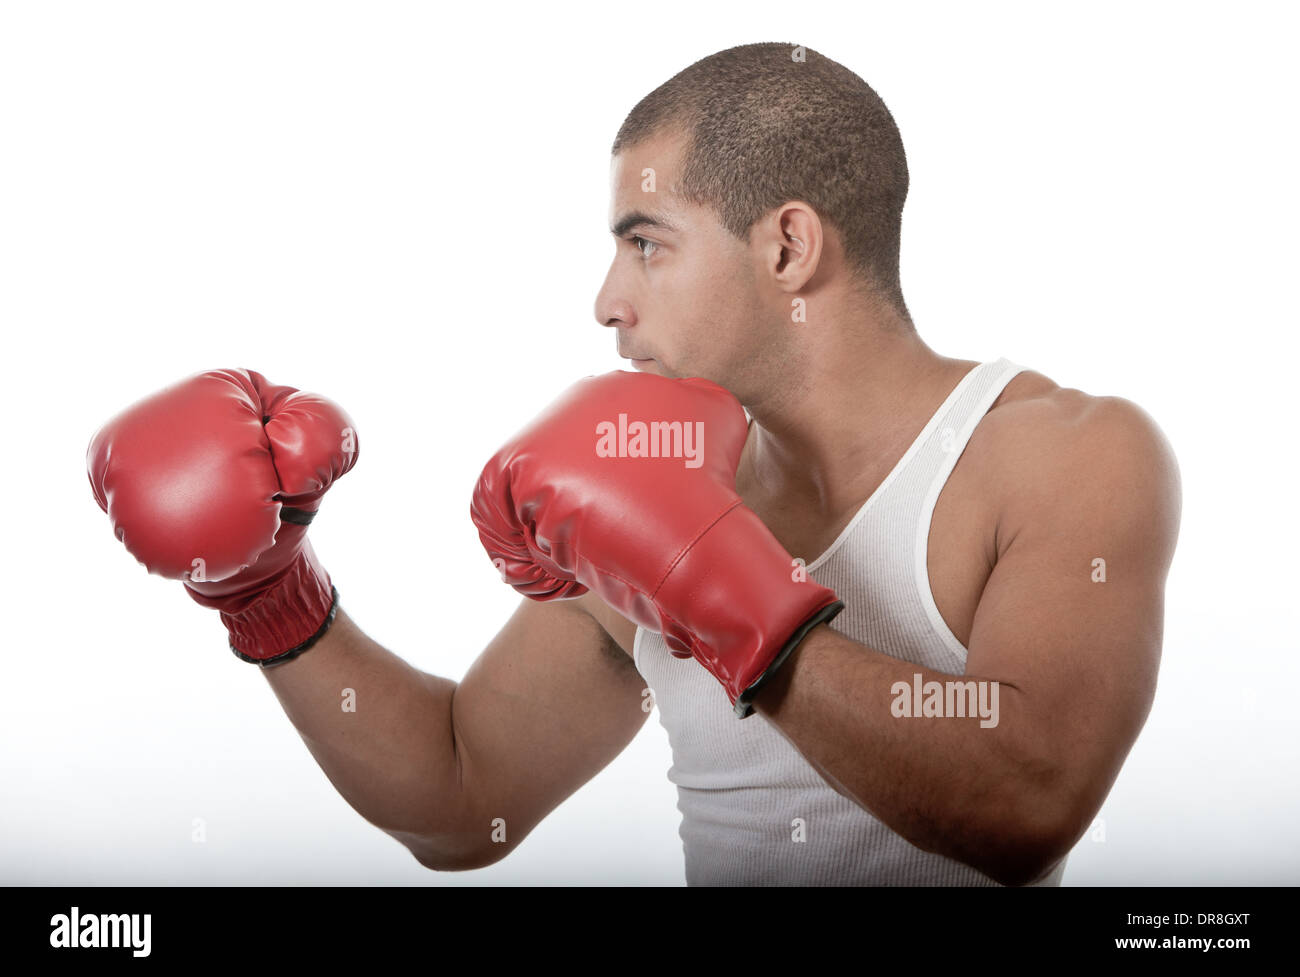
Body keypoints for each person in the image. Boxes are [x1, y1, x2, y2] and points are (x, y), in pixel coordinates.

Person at [87, 42, 1180, 886]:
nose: (607, 300)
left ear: (787, 247)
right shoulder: (657, 478)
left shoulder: (1062, 454)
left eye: (645, 241)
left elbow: (1029, 798)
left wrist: (727, 597)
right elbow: (466, 795)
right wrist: (274, 599)